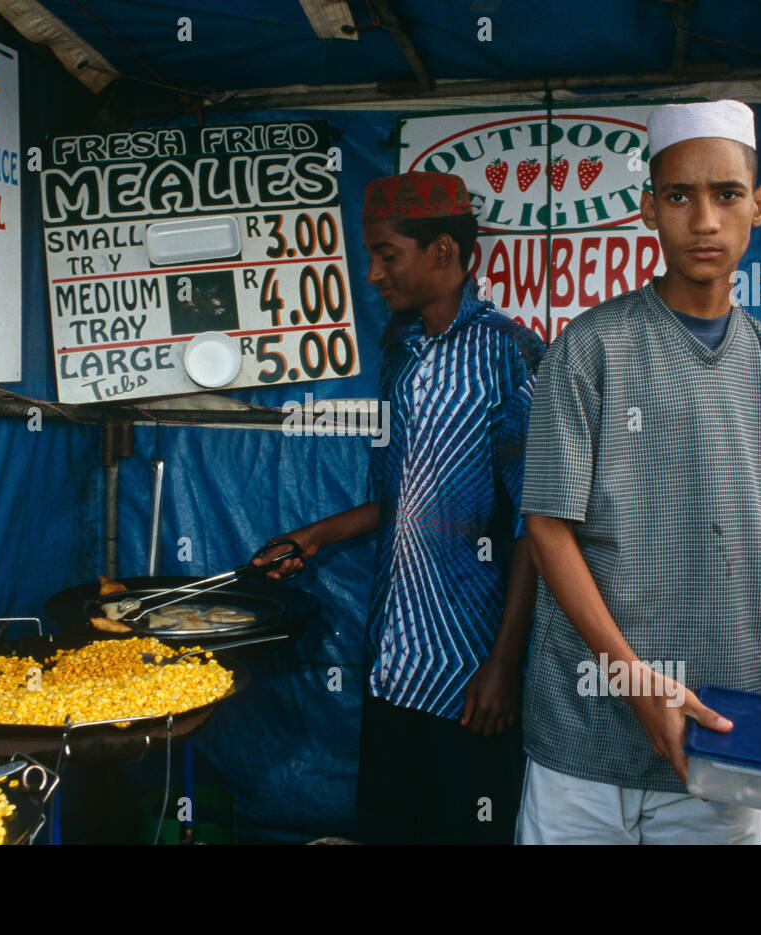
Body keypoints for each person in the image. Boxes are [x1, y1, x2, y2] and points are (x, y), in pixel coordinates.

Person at [516, 100, 761, 845]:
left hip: (718, 737)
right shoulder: (591, 348)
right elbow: (548, 531)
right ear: (649, 209)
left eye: (726, 194)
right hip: (584, 741)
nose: (704, 220)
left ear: (760, 205)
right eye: (679, 196)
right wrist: (633, 681)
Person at [255, 171, 543, 844]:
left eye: (388, 253)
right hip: (391, 666)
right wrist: (314, 536)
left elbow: (539, 523)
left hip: (469, 675)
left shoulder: (512, 354)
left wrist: (503, 663)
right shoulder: (400, 354)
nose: (373, 272)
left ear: (443, 251)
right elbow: (403, 496)